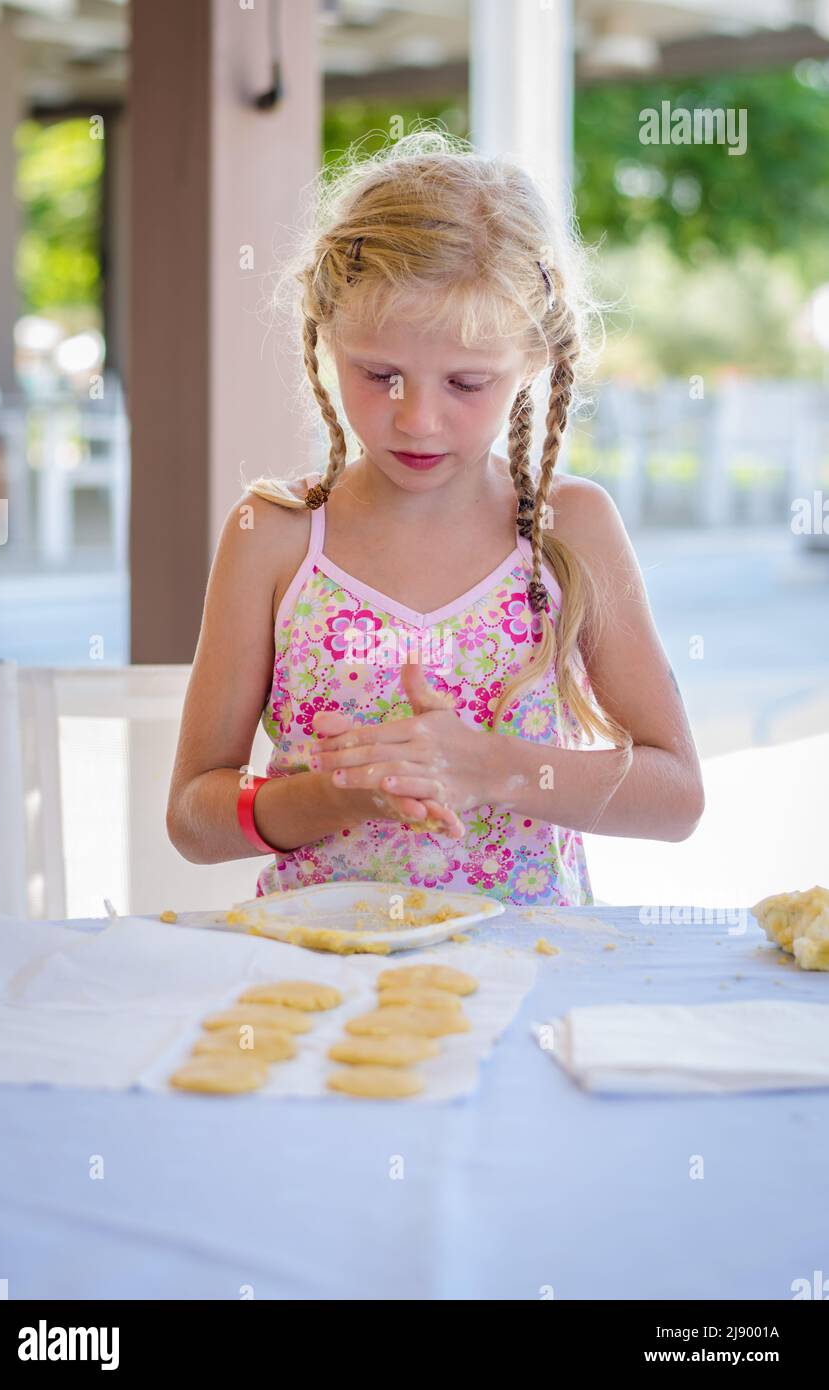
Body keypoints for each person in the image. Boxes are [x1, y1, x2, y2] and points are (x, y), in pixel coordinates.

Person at [167, 129, 704, 907]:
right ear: (326, 343)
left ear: (530, 364)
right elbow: (193, 818)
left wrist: (493, 767)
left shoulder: (567, 527)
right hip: (318, 969)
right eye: (378, 373)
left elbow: (675, 794)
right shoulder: (275, 535)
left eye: (465, 383)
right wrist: (344, 793)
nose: (416, 420)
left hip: (530, 971)